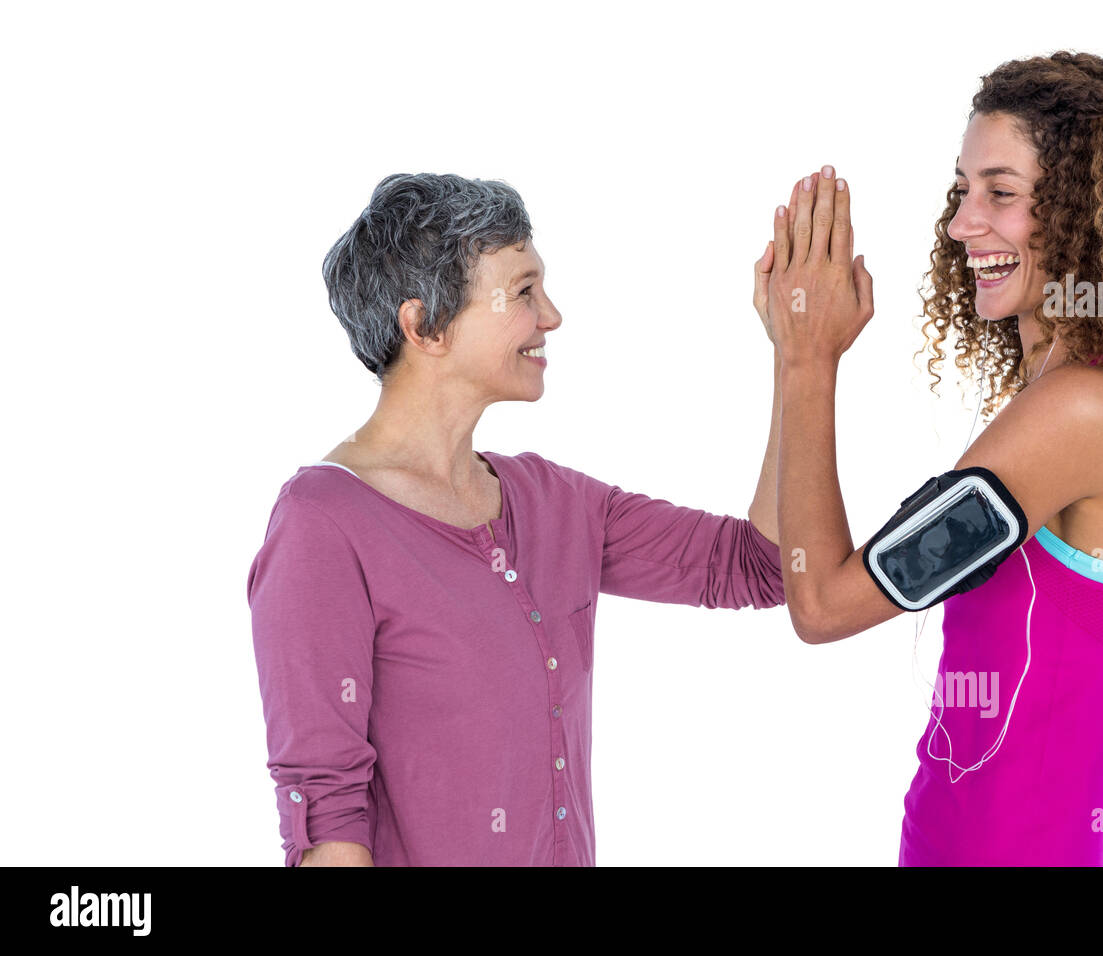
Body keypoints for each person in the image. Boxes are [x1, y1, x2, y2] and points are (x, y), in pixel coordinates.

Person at [757, 52, 1103, 865]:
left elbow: (822, 605)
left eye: (1002, 193)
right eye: (963, 191)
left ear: (1086, 210)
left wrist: (806, 357)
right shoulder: (1075, 393)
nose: (962, 224)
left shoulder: (1083, 412)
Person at [246, 173, 786, 866]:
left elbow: (761, 567)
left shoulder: (552, 500)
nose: (551, 316)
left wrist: (797, 356)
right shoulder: (323, 524)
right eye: (524, 291)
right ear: (424, 326)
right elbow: (328, 827)